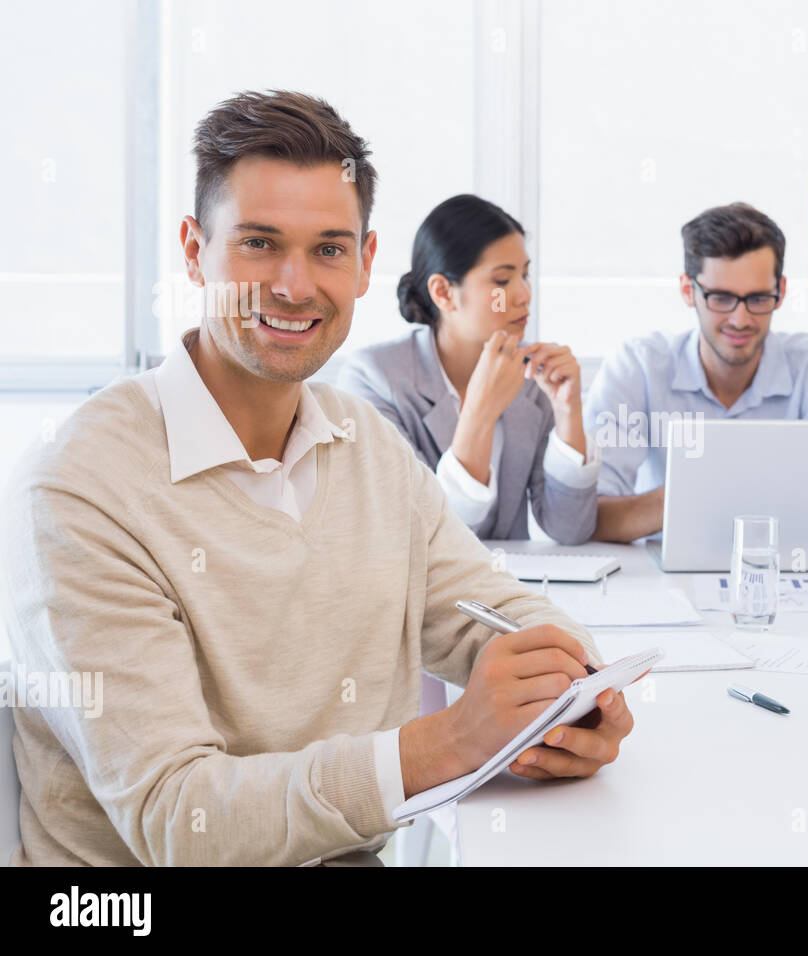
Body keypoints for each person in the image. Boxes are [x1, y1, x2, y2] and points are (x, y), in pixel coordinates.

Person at [0, 91, 635, 867]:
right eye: (260, 244)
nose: (296, 286)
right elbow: (178, 817)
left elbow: (487, 612)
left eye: (329, 249)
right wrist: (446, 743)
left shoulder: (361, 441)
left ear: (366, 263)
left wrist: (576, 694)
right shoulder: (77, 490)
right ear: (195, 252)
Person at [585, 202, 808, 542]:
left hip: (782, 568)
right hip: (661, 576)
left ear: (781, 291)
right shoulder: (637, 366)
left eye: (758, 299)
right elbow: (591, 517)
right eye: (721, 298)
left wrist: (719, 491)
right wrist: (711, 489)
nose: (740, 320)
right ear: (688, 290)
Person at [336, 195, 598, 545]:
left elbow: (569, 530)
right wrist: (479, 413)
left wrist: (569, 415)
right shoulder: (374, 379)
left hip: (503, 592)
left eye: (525, 274)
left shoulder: (532, 378)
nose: (524, 294)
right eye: (502, 281)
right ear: (444, 292)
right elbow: (420, 539)